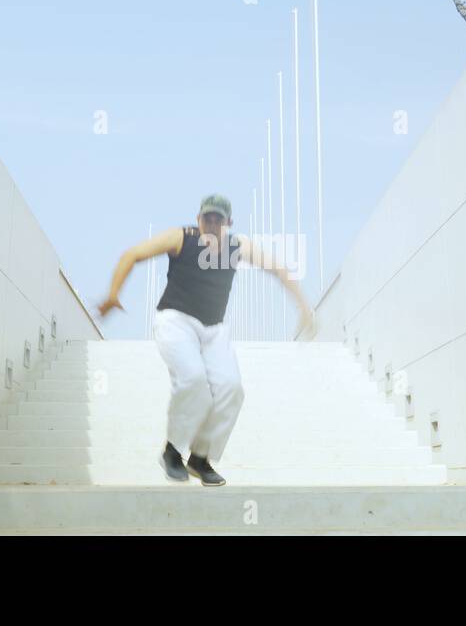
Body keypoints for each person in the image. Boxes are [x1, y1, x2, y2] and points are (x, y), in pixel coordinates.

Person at [98, 194, 317, 485]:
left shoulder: (238, 246)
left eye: (218, 220)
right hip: (176, 321)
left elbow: (278, 270)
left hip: (214, 329)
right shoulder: (181, 237)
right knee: (193, 379)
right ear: (198, 219)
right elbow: (132, 255)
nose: (212, 225)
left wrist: (304, 308)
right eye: (207, 219)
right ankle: (172, 452)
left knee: (231, 388)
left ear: (229, 223)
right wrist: (113, 294)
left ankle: (200, 458)